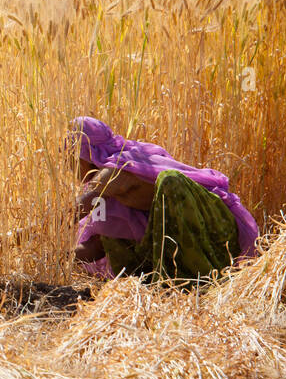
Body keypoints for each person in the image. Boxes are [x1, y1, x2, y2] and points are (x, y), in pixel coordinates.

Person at [70, 116, 258, 281]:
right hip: (175, 242)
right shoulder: (105, 195)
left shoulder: (118, 167)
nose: (66, 162)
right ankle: (157, 279)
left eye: (71, 155)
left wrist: (52, 224)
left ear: (86, 153)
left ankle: (200, 277)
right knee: (113, 238)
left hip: (211, 229)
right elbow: (96, 246)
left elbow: (82, 205)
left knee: (170, 181)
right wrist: (60, 259)